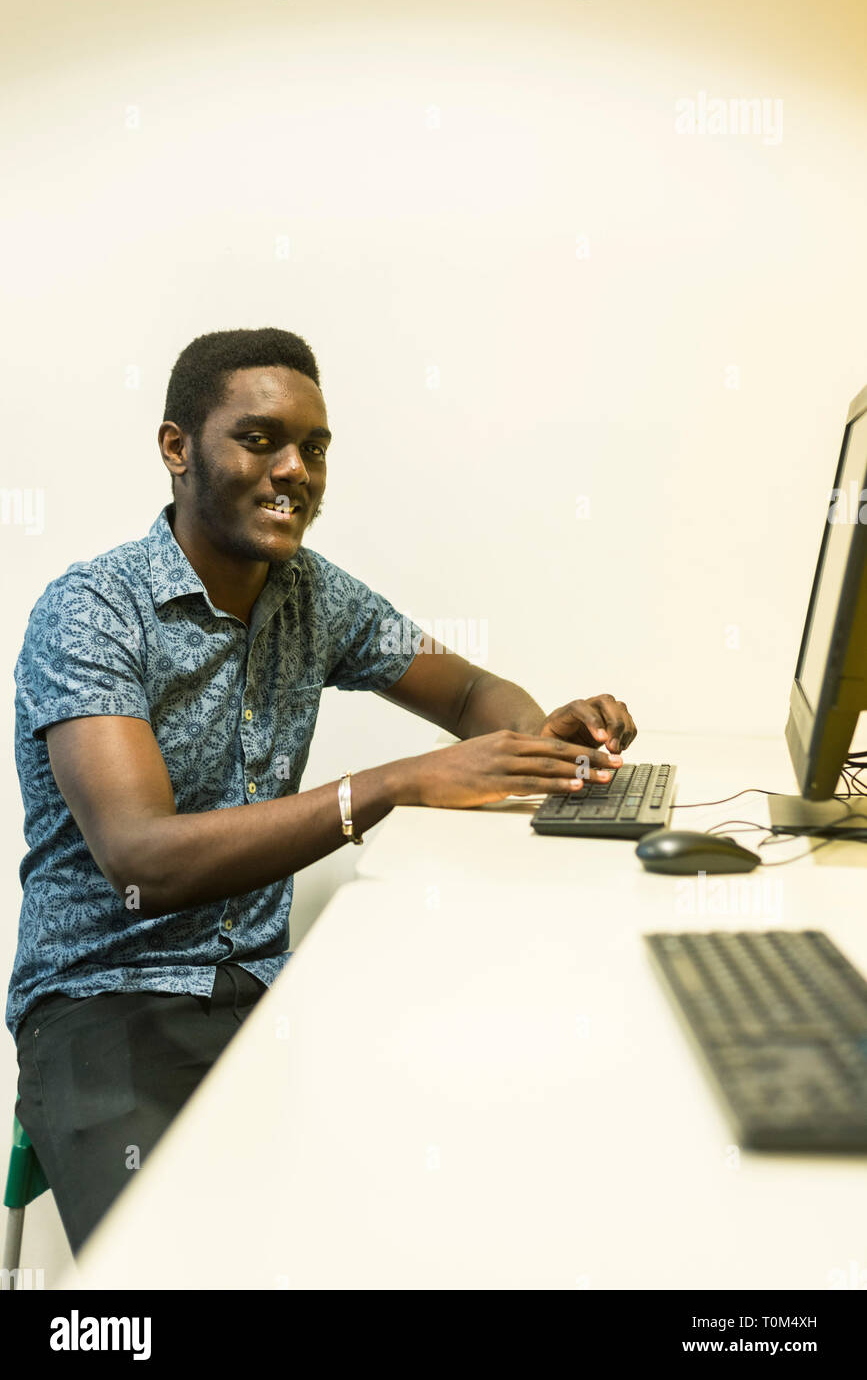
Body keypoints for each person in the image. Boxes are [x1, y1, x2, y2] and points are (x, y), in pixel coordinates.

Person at [7, 326, 637, 1256]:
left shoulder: (308, 592)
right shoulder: (92, 611)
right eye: (260, 440)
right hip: (106, 999)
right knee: (174, 1263)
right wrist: (387, 787)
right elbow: (141, 857)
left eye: (315, 448)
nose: (295, 470)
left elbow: (464, 690)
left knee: (441, 1202)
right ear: (177, 448)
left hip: (260, 989)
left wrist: (533, 739)